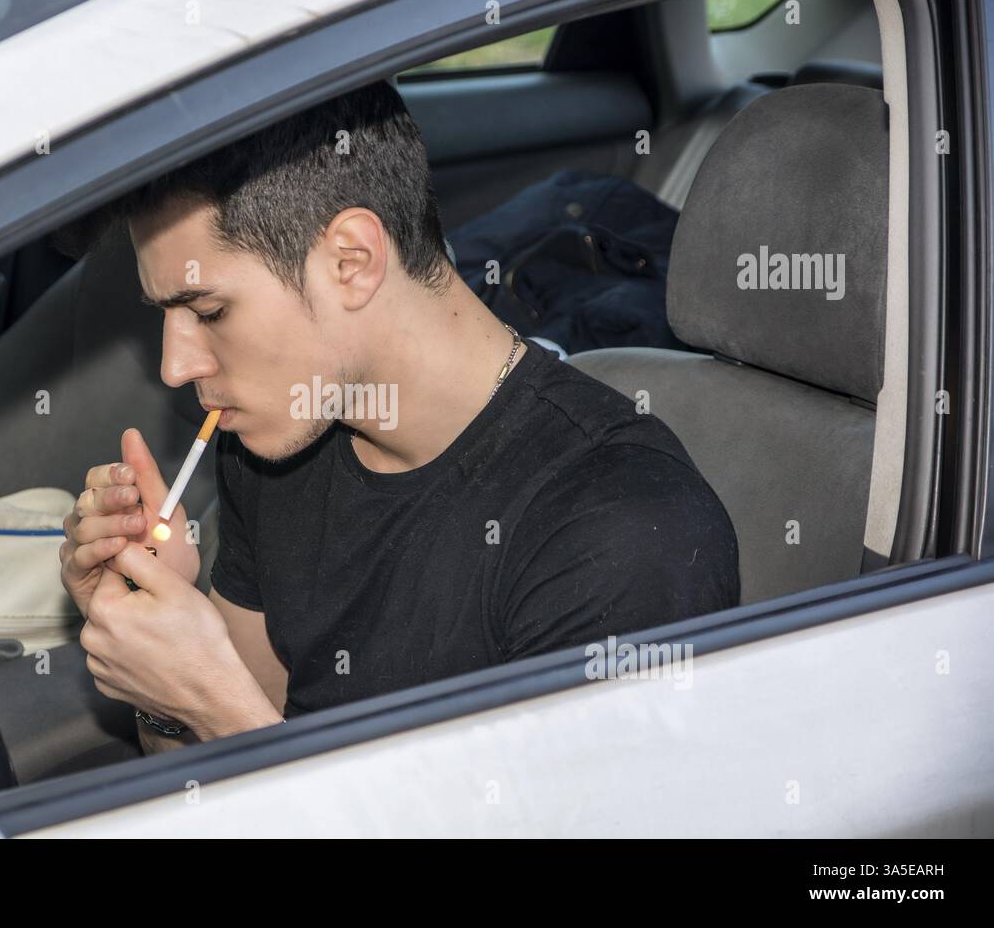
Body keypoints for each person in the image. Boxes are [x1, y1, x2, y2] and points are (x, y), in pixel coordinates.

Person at [59, 80, 739, 755]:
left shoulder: (623, 536)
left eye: (208, 312)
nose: (175, 367)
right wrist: (165, 653)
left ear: (351, 262)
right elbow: (212, 778)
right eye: (167, 316)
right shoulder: (273, 443)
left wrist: (213, 701)